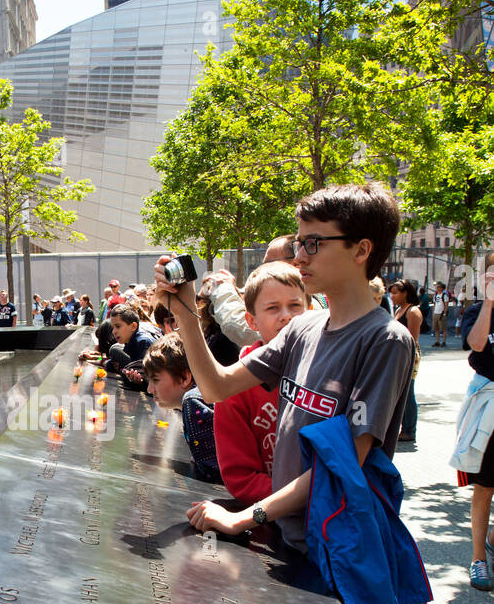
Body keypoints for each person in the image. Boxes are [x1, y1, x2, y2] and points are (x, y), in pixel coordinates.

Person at [157, 182, 415, 557]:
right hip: (286, 537)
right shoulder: (302, 328)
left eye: (314, 243)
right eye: (299, 243)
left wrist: (245, 518)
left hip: (336, 551)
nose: (299, 258)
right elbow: (215, 387)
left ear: (361, 249)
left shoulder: (385, 340)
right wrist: (184, 310)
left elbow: (339, 466)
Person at [209, 263, 308, 506]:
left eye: (295, 305)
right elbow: (241, 478)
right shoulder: (235, 389)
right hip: (278, 518)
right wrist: (304, 500)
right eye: (273, 308)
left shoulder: (329, 371)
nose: (286, 315)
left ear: (310, 309)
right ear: (252, 321)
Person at [454, 251, 494, 590]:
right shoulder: (476, 312)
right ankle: (478, 558)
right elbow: (478, 342)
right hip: (487, 407)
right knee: (484, 487)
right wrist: (489, 304)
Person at [142, 333, 221, 482]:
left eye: (156, 380)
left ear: (185, 378)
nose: (149, 389)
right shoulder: (200, 396)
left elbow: (213, 470)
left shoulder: (193, 401)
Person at [389, 280, 422, 444]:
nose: (392, 296)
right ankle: (402, 427)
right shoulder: (399, 310)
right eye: (391, 293)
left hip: (408, 356)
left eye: (395, 293)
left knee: (408, 393)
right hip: (398, 355)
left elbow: (412, 340)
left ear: (406, 293)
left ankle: (409, 430)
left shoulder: (412, 311)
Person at [106, 303, 159, 379]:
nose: (113, 331)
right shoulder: (131, 337)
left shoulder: (143, 342)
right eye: (113, 327)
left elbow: (145, 376)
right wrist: (100, 360)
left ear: (133, 326)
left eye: (118, 326)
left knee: (114, 349)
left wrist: (123, 372)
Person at [432, 282, 449, 346]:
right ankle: (437, 341)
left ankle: (444, 341)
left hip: (441, 313)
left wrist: (444, 313)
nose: (437, 288)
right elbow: (434, 304)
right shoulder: (435, 295)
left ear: (442, 288)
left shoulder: (444, 295)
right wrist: (433, 312)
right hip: (436, 313)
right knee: (436, 328)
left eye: (439, 287)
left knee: (443, 328)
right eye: (437, 287)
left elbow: (446, 305)